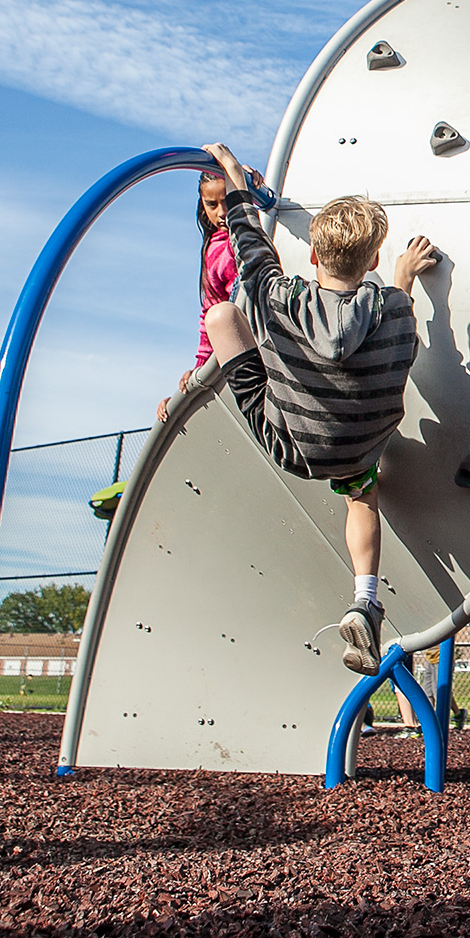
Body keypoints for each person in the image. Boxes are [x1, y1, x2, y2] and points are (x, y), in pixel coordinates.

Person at [187, 142, 441, 676]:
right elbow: (402, 333)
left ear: (310, 256)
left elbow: (250, 243)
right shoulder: (395, 309)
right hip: (358, 450)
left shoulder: (278, 295)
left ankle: (290, 377)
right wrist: (404, 277)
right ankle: (365, 598)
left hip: (293, 444)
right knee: (361, 497)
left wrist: (234, 176)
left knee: (225, 317)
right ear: (372, 260)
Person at [156, 171, 243, 424]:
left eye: (227, 200)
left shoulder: (252, 228)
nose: (222, 212)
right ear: (202, 206)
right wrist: (200, 368)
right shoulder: (214, 251)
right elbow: (210, 311)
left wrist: (249, 179)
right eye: (212, 204)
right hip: (236, 339)